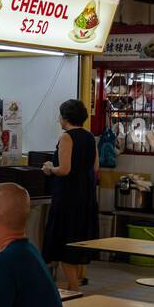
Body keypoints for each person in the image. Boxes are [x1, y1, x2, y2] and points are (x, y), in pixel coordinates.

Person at [41, 99, 99, 292]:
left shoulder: (66, 137)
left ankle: (73, 287)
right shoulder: (90, 137)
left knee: (63, 242)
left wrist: (50, 168)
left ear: (64, 118)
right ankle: (73, 284)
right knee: (76, 240)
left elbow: (64, 169)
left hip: (68, 197)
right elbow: (95, 167)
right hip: (86, 195)